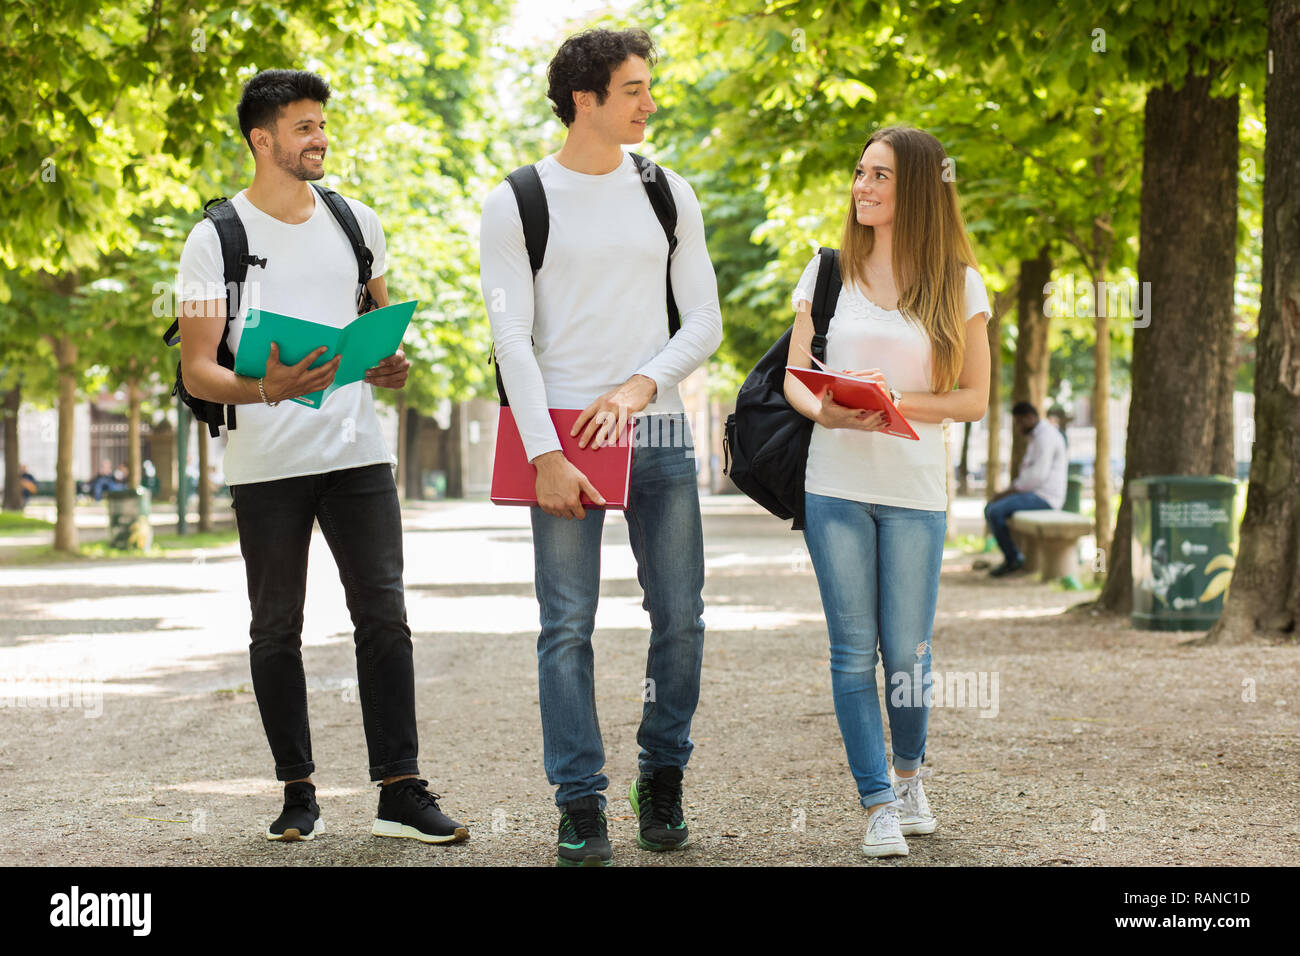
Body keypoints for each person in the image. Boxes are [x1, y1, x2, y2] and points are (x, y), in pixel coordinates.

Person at [176, 69, 467, 846]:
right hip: (265, 461)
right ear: (261, 140)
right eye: (303, 127)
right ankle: (297, 790)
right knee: (277, 629)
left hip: (356, 452)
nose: (320, 139)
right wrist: (264, 387)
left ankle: (400, 791)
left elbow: (378, 318)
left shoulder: (354, 220)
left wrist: (389, 363)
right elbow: (196, 368)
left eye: (322, 125)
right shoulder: (216, 238)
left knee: (385, 617)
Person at [479, 28, 722, 866]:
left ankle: (662, 775)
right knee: (567, 626)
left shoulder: (667, 192)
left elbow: (704, 322)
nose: (649, 103)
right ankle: (579, 802)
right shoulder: (517, 200)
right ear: (585, 97)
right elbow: (512, 338)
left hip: (651, 430)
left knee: (682, 616)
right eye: (634, 89)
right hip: (564, 440)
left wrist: (639, 386)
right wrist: (545, 450)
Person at [783, 126, 991, 858]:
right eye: (860, 172)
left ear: (921, 192)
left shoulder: (960, 282)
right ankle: (875, 802)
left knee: (906, 652)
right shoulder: (825, 272)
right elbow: (794, 378)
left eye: (881, 177)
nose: (862, 187)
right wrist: (827, 407)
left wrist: (895, 399)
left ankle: (909, 777)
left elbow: (972, 399)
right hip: (834, 483)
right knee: (850, 652)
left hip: (913, 493)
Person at [984, 401, 1068, 576]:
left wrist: (1007, 492)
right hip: (1035, 493)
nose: (1017, 427)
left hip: (1044, 497)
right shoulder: (1038, 436)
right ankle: (1013, 556)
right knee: (992, 509)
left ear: (1030, 418)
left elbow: (1036, 476)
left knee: (994, 511)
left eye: (1019, 422)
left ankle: (1013, 558)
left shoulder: (1045, 437)